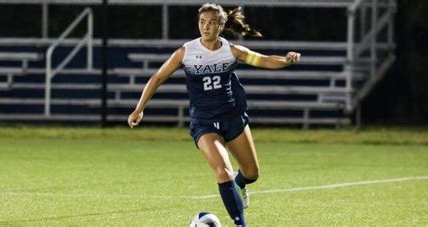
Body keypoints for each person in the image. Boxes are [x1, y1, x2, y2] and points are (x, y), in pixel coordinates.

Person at [128, 3, 300, 227]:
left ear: (221, 26)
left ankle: (241, 184)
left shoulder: (230, 51)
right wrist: (139, 108)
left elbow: (263, 59)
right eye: (201, 22)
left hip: (233, 118)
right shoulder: (186, 53)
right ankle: (241, 224)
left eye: (211, 22)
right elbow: (157, 78)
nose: (205, 27)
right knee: (223, 171)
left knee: (251, 173)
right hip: (204, 122)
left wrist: (286, 60)